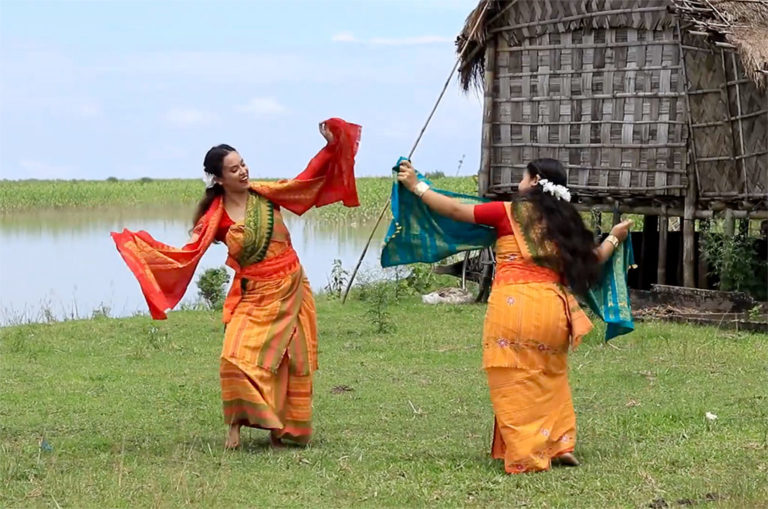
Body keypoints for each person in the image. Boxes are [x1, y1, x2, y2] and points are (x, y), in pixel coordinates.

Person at [112, 118, 361, 449]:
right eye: (233, 169)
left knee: (286, 358)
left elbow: (308, 181)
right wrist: (142, 252)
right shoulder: (215, 218)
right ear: (219, 178)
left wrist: (331, 147)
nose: (243, 172)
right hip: (253, 294)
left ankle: (280, 429)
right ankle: (235, 429)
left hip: (290, 287)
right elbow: (186, 255)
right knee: (233, 355)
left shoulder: (266, 195)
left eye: (243, 164)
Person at [396, 157, 631, 473]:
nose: (518, 183)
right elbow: (595, 258)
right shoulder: (568, 226)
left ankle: (527, 453)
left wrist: (416, 186)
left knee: (513, 377)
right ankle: (560, 443)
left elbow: (453, 210)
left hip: (515, 306)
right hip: (554, 309)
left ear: (534, 181)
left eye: (523, 177)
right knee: (551, 375)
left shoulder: (507, 212)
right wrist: (615, 236)